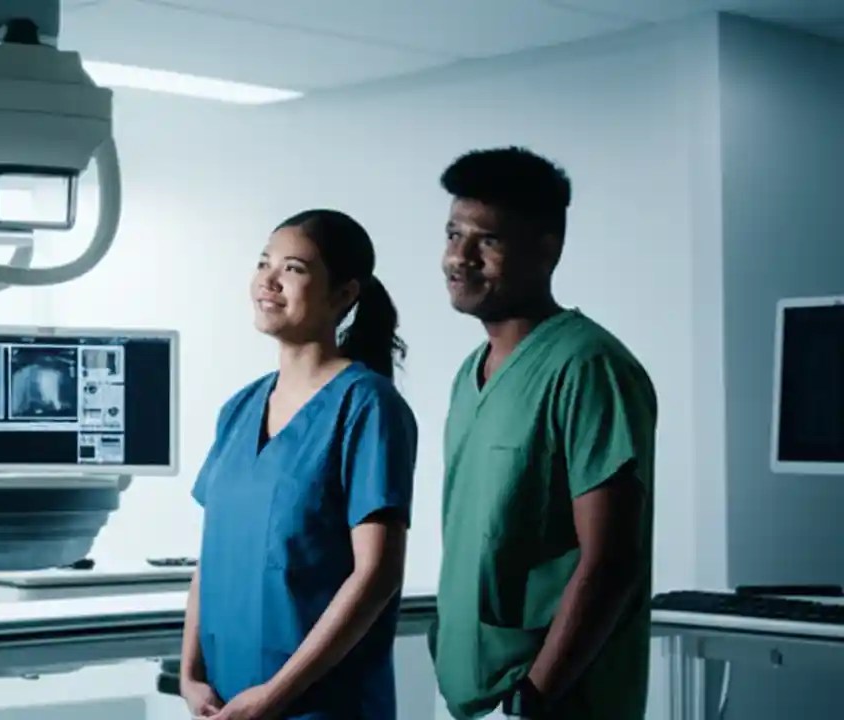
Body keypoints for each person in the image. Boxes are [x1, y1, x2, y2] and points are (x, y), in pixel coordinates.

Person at [427, 147, 659, 720]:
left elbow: (610, 560)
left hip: (549, 699)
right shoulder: (470, 374)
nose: (461, 257)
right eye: (454, 234)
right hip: (475, 692)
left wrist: (534, 695)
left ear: (547, 247)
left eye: (489, 241)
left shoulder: (587, 367)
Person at [180, 209, 420, 719]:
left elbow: (377, 573)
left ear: (344, 294)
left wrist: (274, 696)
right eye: (263, 262)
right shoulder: (239, 409)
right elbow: (212, 555)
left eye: (293, 268)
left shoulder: (366, 405)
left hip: (319, 705)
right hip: (226, 702)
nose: (268, 280)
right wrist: (190, 674)